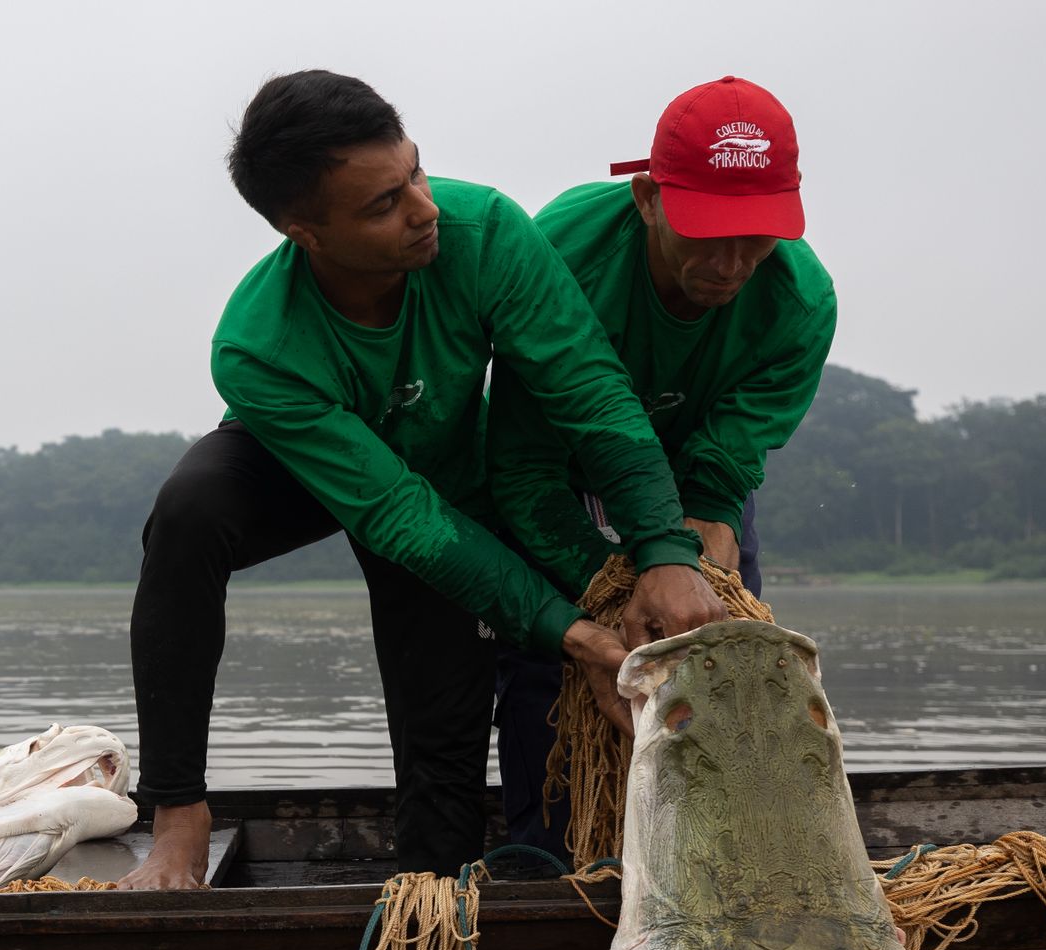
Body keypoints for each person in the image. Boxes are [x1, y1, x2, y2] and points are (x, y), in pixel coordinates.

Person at [120, 70, 725, 889]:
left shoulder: (484, 231)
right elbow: (393, 515)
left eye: (416, 172)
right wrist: (570, 631)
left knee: (442, 766)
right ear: (306, 231)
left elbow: (588, 393)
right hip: (311, 469)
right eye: (382, 205)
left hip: (443, 480)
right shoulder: (256, 347)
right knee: (188, 513)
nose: (423, 208)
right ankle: (177, 810)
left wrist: (663, 549)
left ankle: (437, 927)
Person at [487, 75, 838, 859]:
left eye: (757, 235)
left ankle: (721, 849)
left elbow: (724, 465)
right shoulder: (561, 254)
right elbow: (522, 465)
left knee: (714, 644)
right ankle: (550, 855)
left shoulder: (800, 302)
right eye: (707, 232)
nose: (732, 263)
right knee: (553, 652)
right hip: (561, 465)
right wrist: (611, 586)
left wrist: (694, 544)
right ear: (647, 198)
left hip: (690, 472)